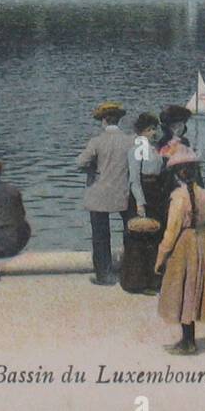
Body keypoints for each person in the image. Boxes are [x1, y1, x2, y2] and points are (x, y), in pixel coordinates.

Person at [155, 148, 205, 355]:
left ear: (177, 173)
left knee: (181, 291)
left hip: (183, 245)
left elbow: (171, 232)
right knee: (193, 290)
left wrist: (161, 258)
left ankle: (187, 342)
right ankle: (189, 340)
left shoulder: (178, 197)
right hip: (202, 242)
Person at [76, 102, 134, 286]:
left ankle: (104, 274)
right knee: (130, 233)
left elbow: (80, 162)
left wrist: (93, 167)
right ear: (119, 120)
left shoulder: (97, 141)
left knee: (100, 235)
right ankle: (131, 270)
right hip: (124, 191)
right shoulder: (130, 140)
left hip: (99, 192)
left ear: (103, 121)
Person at [123, 113, 166, 294]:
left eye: (154, 128)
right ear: (140, 132)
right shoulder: (136, 150)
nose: (153, 132)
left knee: (155, 237)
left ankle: (154, 280)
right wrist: (140, 203)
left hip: (156, 193)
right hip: (141, 193)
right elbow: (134, 179)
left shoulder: (156, 149)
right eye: (149, 129)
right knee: (139, 238)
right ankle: (137, 282)